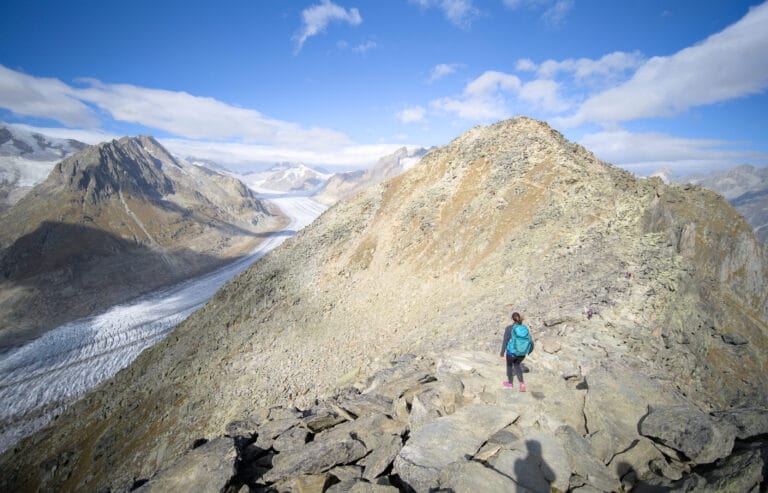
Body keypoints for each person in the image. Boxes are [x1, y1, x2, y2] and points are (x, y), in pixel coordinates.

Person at [500, 312, 531, 392]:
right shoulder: (524, 328)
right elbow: (530, 341)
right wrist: (528, 351)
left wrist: (502, 353)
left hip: (512, 353)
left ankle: (510, 384)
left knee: (510, 366)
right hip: (522, 353)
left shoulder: (509, 328)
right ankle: (522, 384)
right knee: (517, 365)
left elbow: (505, 341)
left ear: (512, 319)